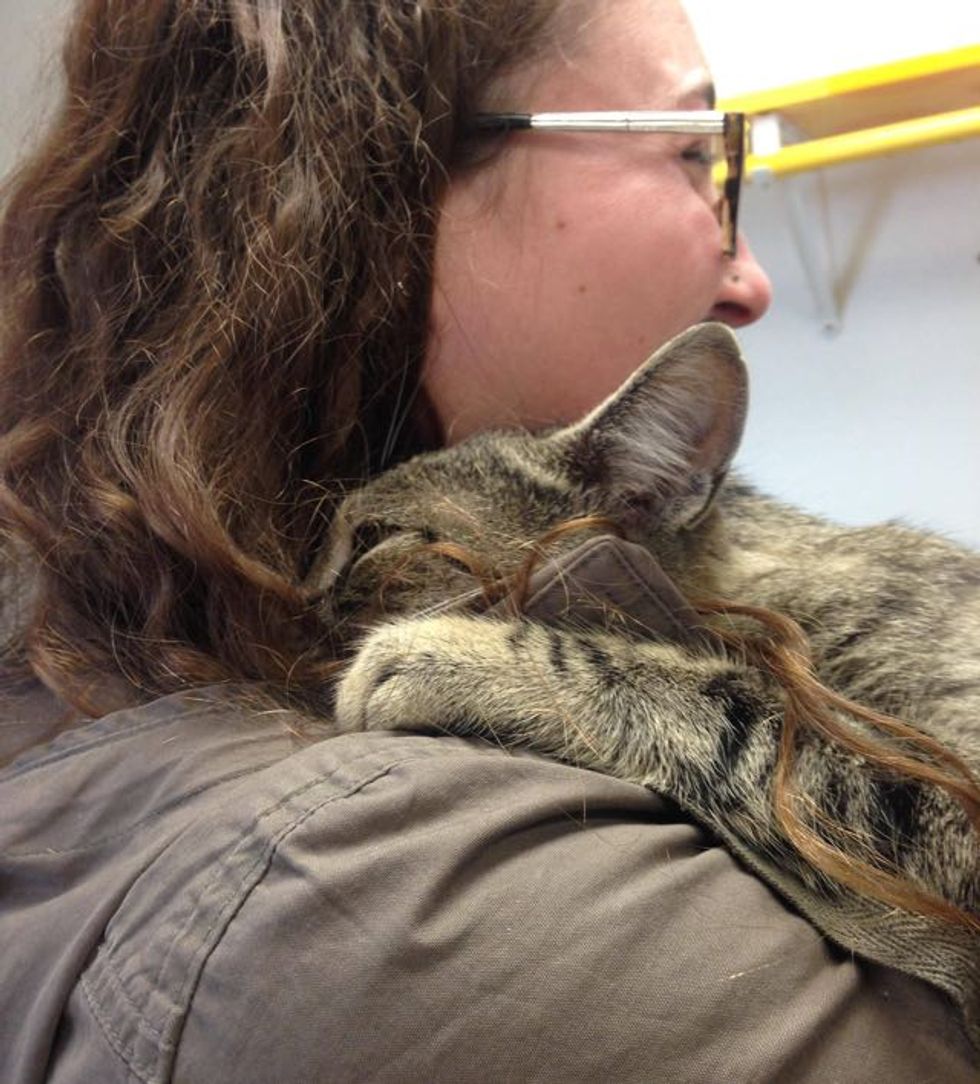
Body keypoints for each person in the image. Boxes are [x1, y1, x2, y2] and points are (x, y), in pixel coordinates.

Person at [0, 1, 974, 1081]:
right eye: (696, 153)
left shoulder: (102, 687)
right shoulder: (360, 882)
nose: (750, 279)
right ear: (379, 194)